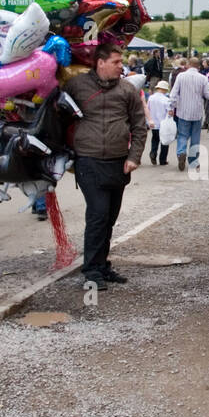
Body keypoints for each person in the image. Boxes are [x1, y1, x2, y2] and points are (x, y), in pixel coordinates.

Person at [63, 44, 146, 290]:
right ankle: (91, 271)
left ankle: (102, 265)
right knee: (98, 214)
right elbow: (58, 115)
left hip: (119, 162)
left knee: (109, 217)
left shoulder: (127, 89)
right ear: (100, 63)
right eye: (116, 62)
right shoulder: (77, 86)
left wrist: (134, 156)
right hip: (88, 161)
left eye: (121, 62)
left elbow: (139, 126)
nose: (122, 66)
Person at [167, 56, 209, 171]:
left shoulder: (181, 76)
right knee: (195, 137)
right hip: (197, 111)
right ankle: (193, 160)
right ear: (199, 66)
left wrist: (171, 106)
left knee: (182, 134)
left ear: (188, 64)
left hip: (183, 110)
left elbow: (173, 93)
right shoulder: (203, 78)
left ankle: (181, 152)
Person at [145, 80, 172, 166]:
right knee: (164, 142)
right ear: (165, 89)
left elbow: (147, 109)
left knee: (155, 139)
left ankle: (153, 153)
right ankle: (162, 160)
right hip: (164, 124)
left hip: (154, 123)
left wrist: (148, 121)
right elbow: (170, 113)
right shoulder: (166, 100)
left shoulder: (151, 98)